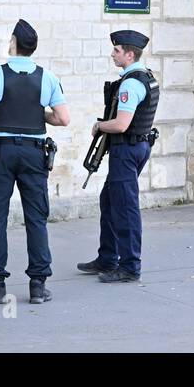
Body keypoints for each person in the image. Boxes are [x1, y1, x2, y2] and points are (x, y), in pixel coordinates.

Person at [0, 19, 69, 305]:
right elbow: (62, 118)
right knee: (36, 216)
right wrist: (42, 116)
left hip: (1, 152)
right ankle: (38, 285)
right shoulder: (47, 77)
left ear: (13, 43)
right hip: (34, 151)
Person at [77, 30, 159, 283]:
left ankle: (129, 266)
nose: (113, 54)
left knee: (124, 207)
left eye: (117, 51)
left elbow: (122, 124)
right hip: (136, 146)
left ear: (130, 54)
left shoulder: (132, 83)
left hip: (127, 148)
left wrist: (100, 126)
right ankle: (108, 257)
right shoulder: (146, 77)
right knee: (110, 201)